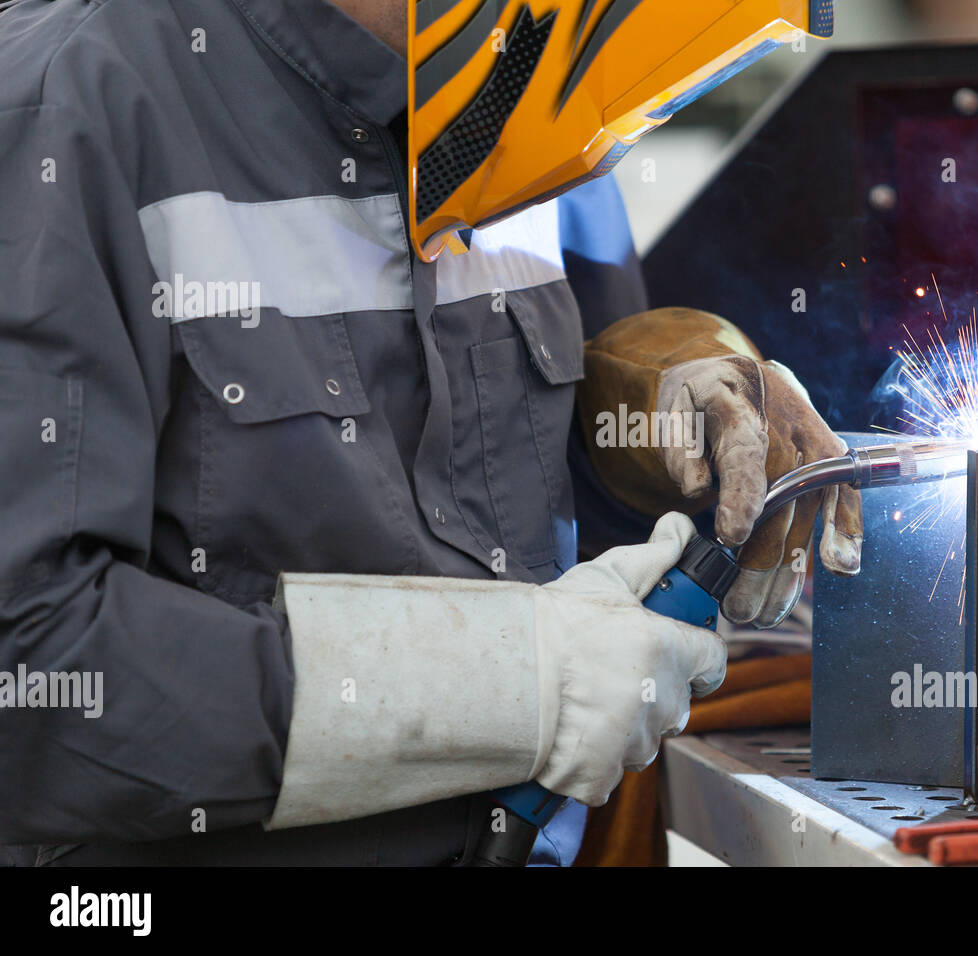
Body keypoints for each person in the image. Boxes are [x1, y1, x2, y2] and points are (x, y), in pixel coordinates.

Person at [0, 0, 859, 866]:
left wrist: (671, 420)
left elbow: (557, 495)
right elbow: (29, 675)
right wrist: (507, 684)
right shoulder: (59, 107)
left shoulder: (548, 79)